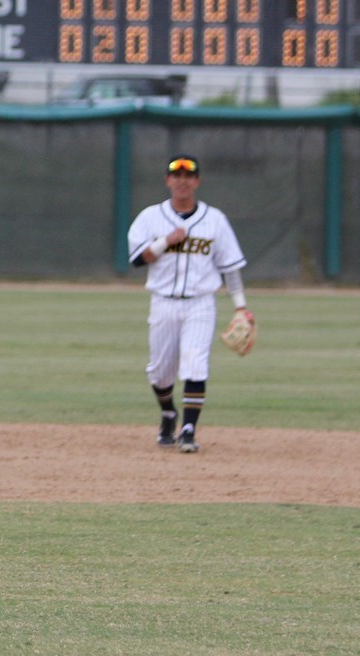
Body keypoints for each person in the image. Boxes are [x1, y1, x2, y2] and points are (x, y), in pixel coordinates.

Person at [127, 154, 249, 453]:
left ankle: (189, 429)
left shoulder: (215, 219)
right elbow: (137, 260)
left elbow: (230, 267)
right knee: (159, 372)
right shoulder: (150, 218)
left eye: (189, 174)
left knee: (195, 362)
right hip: (163, 303)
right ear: (168, 180)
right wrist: (165, 241)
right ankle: (169, 413)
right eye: (176, 174)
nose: (182, 180)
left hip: (200, 303)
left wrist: (241, 306)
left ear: (197, 181)